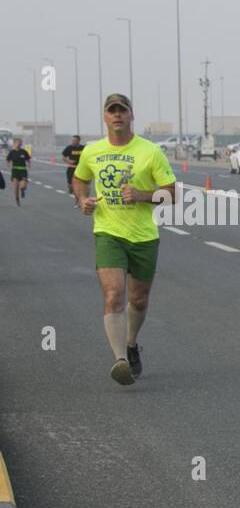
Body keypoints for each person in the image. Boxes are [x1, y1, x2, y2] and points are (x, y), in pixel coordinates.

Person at [72, 94, 177, 386]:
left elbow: (171, 193)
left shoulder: (150, 151)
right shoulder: (92, 151)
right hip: (108, 232)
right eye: (111, 111)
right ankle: (120, 360)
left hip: (143, 236)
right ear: (105, 117)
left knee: (139, 300)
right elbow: (80, 178)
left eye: (122, 110)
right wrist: (82, 200)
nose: (117, 115)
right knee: (113, 294)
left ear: (131, 115)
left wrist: (142, 195)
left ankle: (131, 344)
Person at [6, 138, 32, 205]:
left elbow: (28, 159)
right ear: (14, 143)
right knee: (15, 186)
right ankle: (17, 198)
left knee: (23, 186)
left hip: (23, 170)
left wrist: (29, 165)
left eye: (20, 142)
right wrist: (8, 164)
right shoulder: (12, 152)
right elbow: (8, 159)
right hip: (15, 171)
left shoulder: (24, 151)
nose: (19, 144)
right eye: (18, 142)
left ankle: (22, 190)